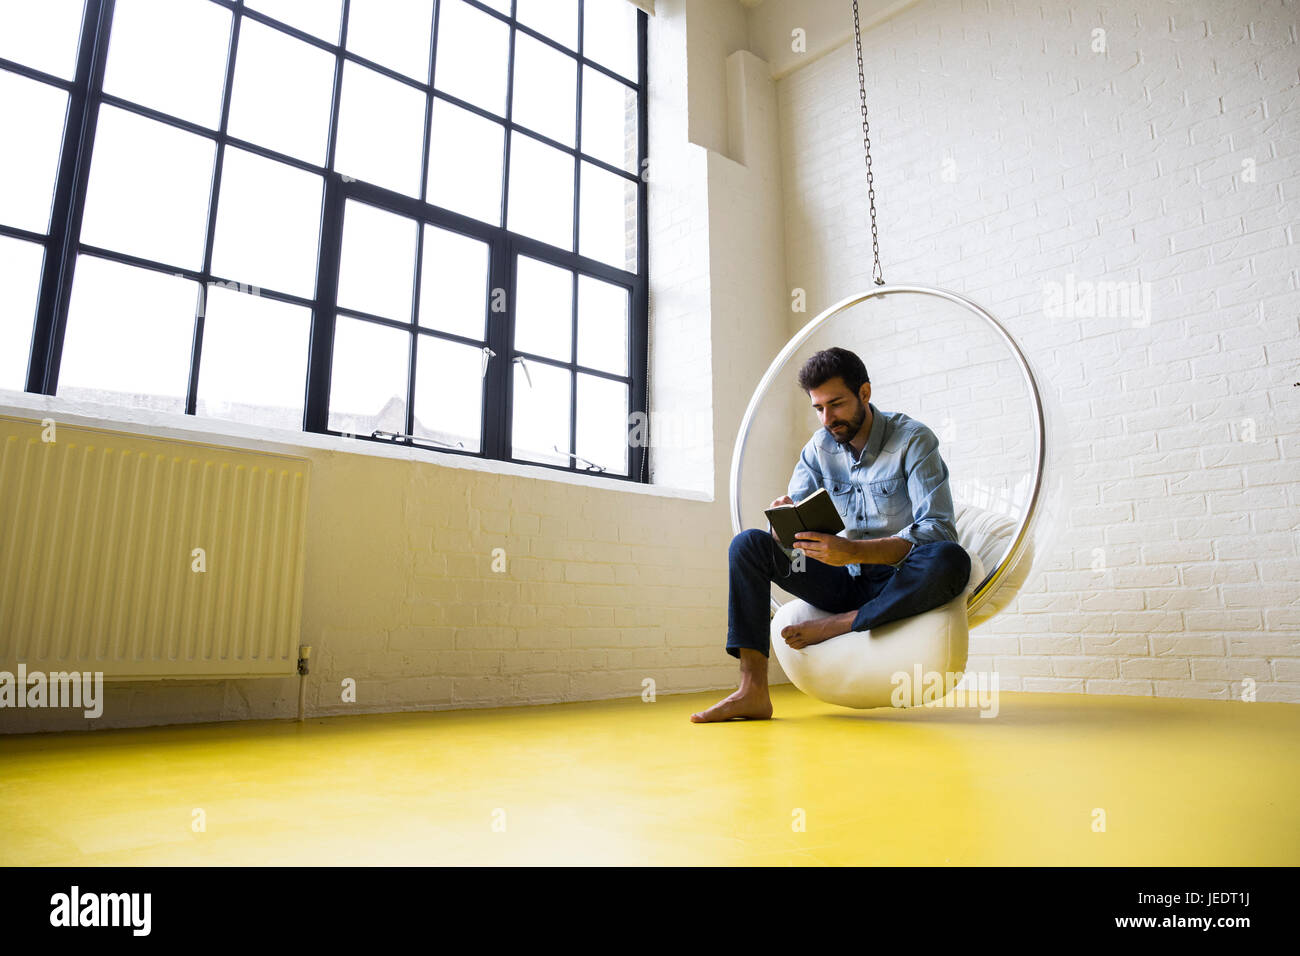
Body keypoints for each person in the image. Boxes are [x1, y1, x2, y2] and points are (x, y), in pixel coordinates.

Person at [691, 347, 972, 722]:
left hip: (897, 580)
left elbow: (939, 528)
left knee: (950, 559)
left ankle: (838, 625)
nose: (828, 418)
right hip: (838, 580)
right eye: (819, 408)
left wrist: (853, 551)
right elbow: (795, 529)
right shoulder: (817, 449)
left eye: (836, 404)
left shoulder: (913, 440)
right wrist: (784, 525)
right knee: (749, 545)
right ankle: (752, 689)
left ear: (865, 393)